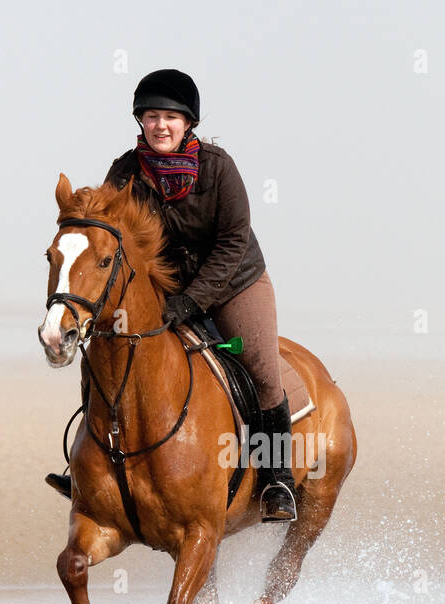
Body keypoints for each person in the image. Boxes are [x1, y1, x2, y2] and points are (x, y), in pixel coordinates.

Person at [47, 68, 297, 523]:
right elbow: (109, 240)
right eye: (151, 116)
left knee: (261, 369)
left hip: (234, 282)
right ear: (140, 121)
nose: (160, 125)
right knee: (101, 354)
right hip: (162, 289)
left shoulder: (219, 168)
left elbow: (232, 243)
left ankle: (277, 478)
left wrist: (190, 302)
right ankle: (82, 469)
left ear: (188, 124)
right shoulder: (124, 173)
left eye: (170, 117)